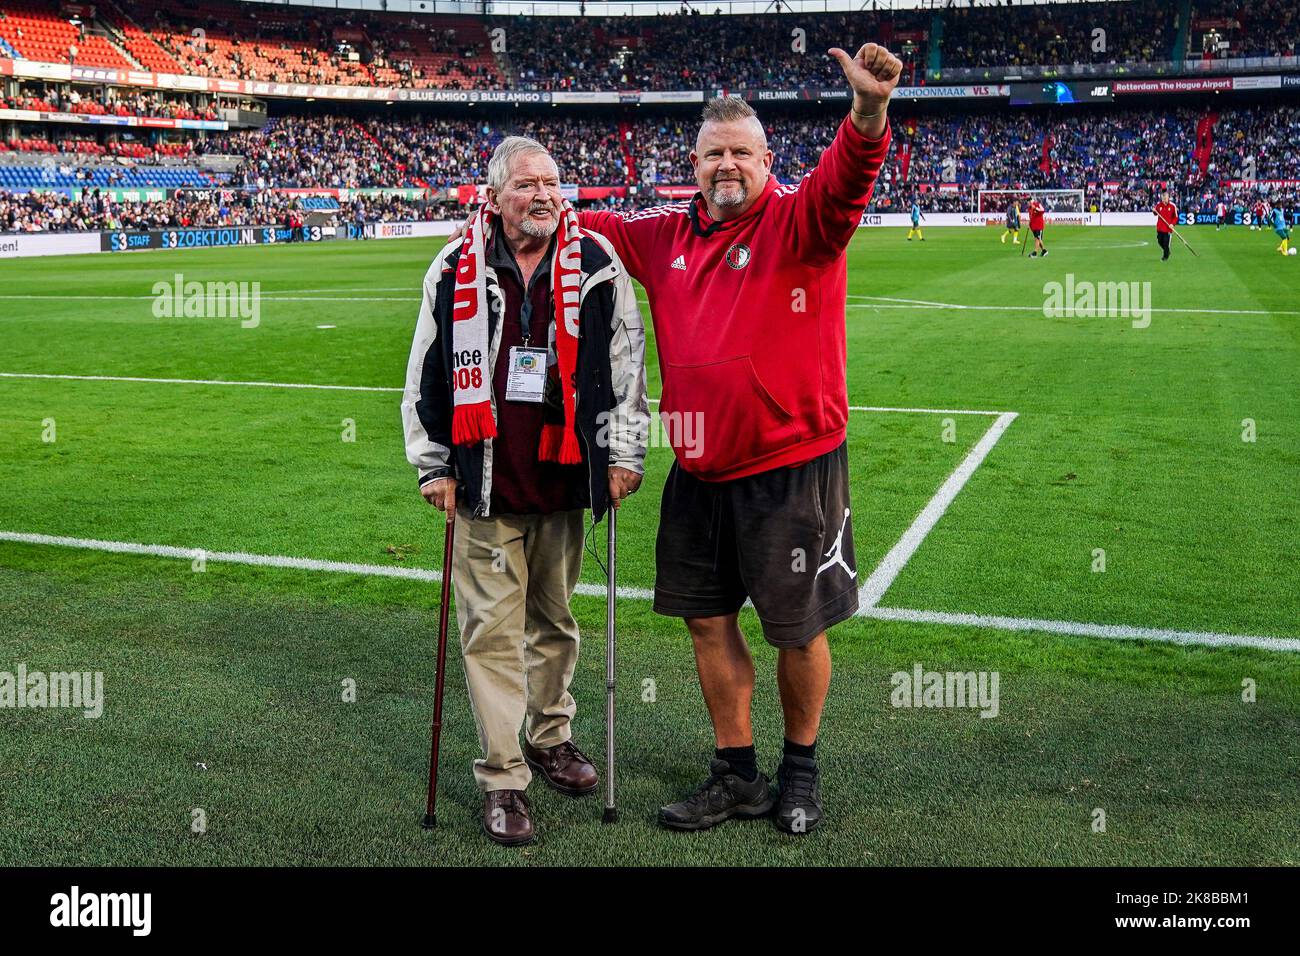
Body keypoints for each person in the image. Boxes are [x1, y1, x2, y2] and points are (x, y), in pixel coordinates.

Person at [576, 43, 901, 835]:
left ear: (767, 160)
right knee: (705, 618)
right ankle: (736, 772)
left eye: (741, 154)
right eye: (714, 153)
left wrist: (867, 110)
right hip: (698, 464)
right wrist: (524, 201)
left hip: (793, 467)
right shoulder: (662, 236)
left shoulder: (803, 221)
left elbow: (848, 176)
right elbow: (589, 227)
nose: (728, 165)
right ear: (695, 162)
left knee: (798, 627)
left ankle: (801, 769)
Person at [402, 136, 649, 846]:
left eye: (551, 183)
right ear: (495, 196)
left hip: (565, 478)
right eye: (525, 186)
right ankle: (504, 776)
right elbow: (426, 370)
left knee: (555, 620)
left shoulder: (599, 265)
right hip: (483, 482)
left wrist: (624, 453)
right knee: (491, 634)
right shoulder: (454, 267)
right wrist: (432, 463)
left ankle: (550, 735)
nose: (542, 196)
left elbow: (627, 365)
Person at [1153, 192, 1177, 262]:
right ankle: (1167, 251)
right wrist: (1154, 211)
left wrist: (1172, 224)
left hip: (1168, 229)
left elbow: (1175, 217)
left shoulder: (1172, 206)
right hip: (1160, 228)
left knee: (1166, 243)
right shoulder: (1159, 205)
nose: (1164, 200)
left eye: (1165, 198)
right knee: (1160, 242)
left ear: (1168, 198)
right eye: (1163, 199)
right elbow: (1155, 213)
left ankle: (1165, 257)